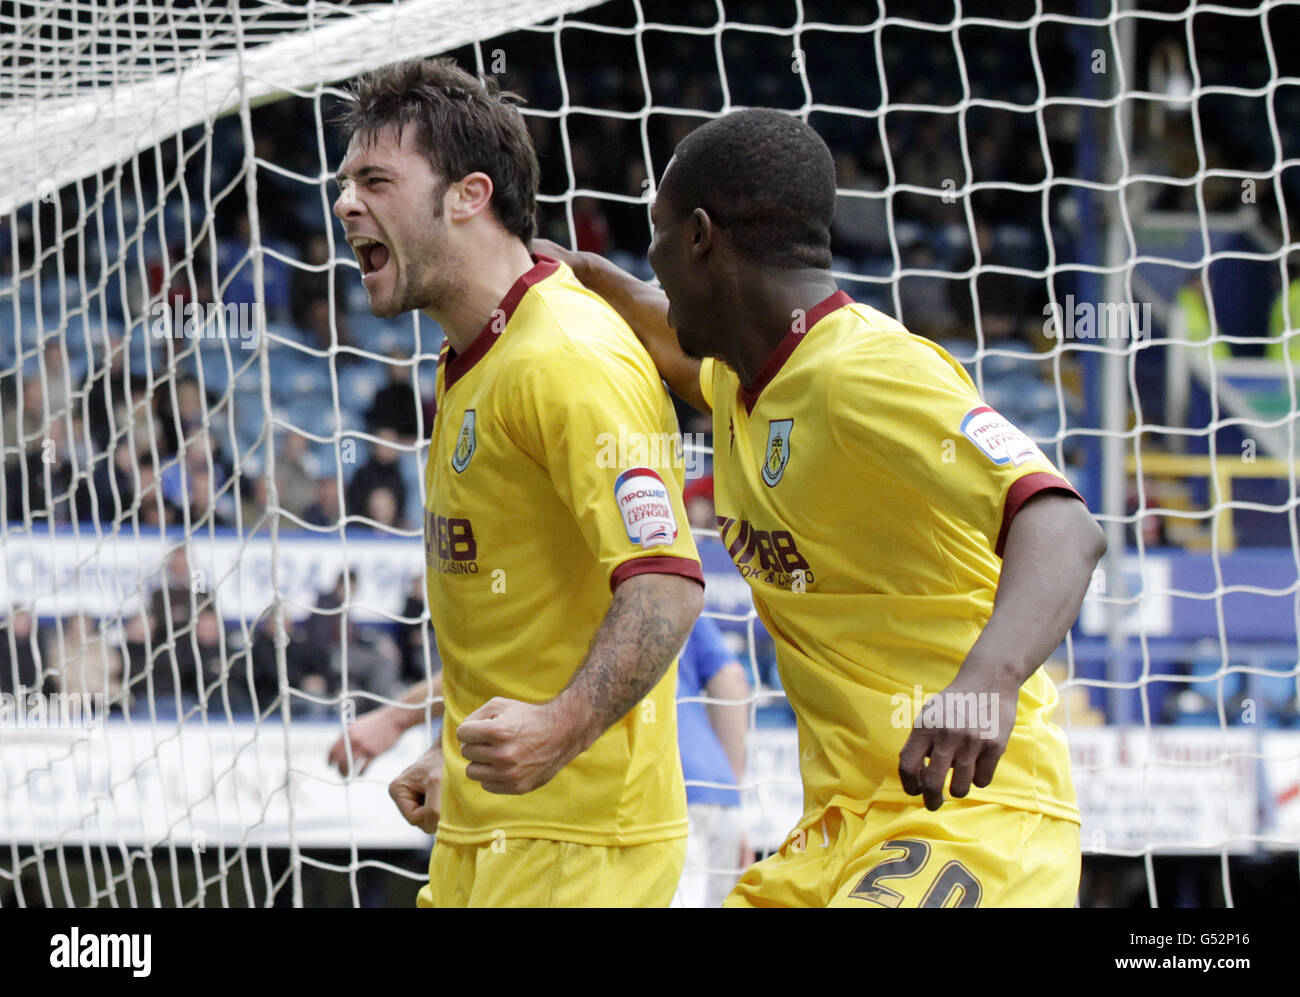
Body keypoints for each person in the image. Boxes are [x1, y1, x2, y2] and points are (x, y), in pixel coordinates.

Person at [537, 107, 1107, 908]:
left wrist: (989, 680)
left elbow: (1065, 525)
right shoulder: (744, 377)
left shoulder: (866, 371)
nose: (652, 262)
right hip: (840, 831)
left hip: (974, 817)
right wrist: (582, 274)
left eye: (657, 235)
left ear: (700, 236)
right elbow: (666, 331)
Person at [331, 57, 704, 908]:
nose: (347, 204)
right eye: (346, 182)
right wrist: (457, 754)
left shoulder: (567, 356)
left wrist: (561, 730)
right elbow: (530, 615)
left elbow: (668, 588)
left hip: (581, 844)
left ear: (469, 194)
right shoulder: (472, 352)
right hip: (495, 827)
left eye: (376, 180)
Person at [671, 615, 751, 908]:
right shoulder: (675, 584)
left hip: (664, 786)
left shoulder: (610, 583)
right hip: (719, 790)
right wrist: (733, 794)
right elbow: (732, 680)